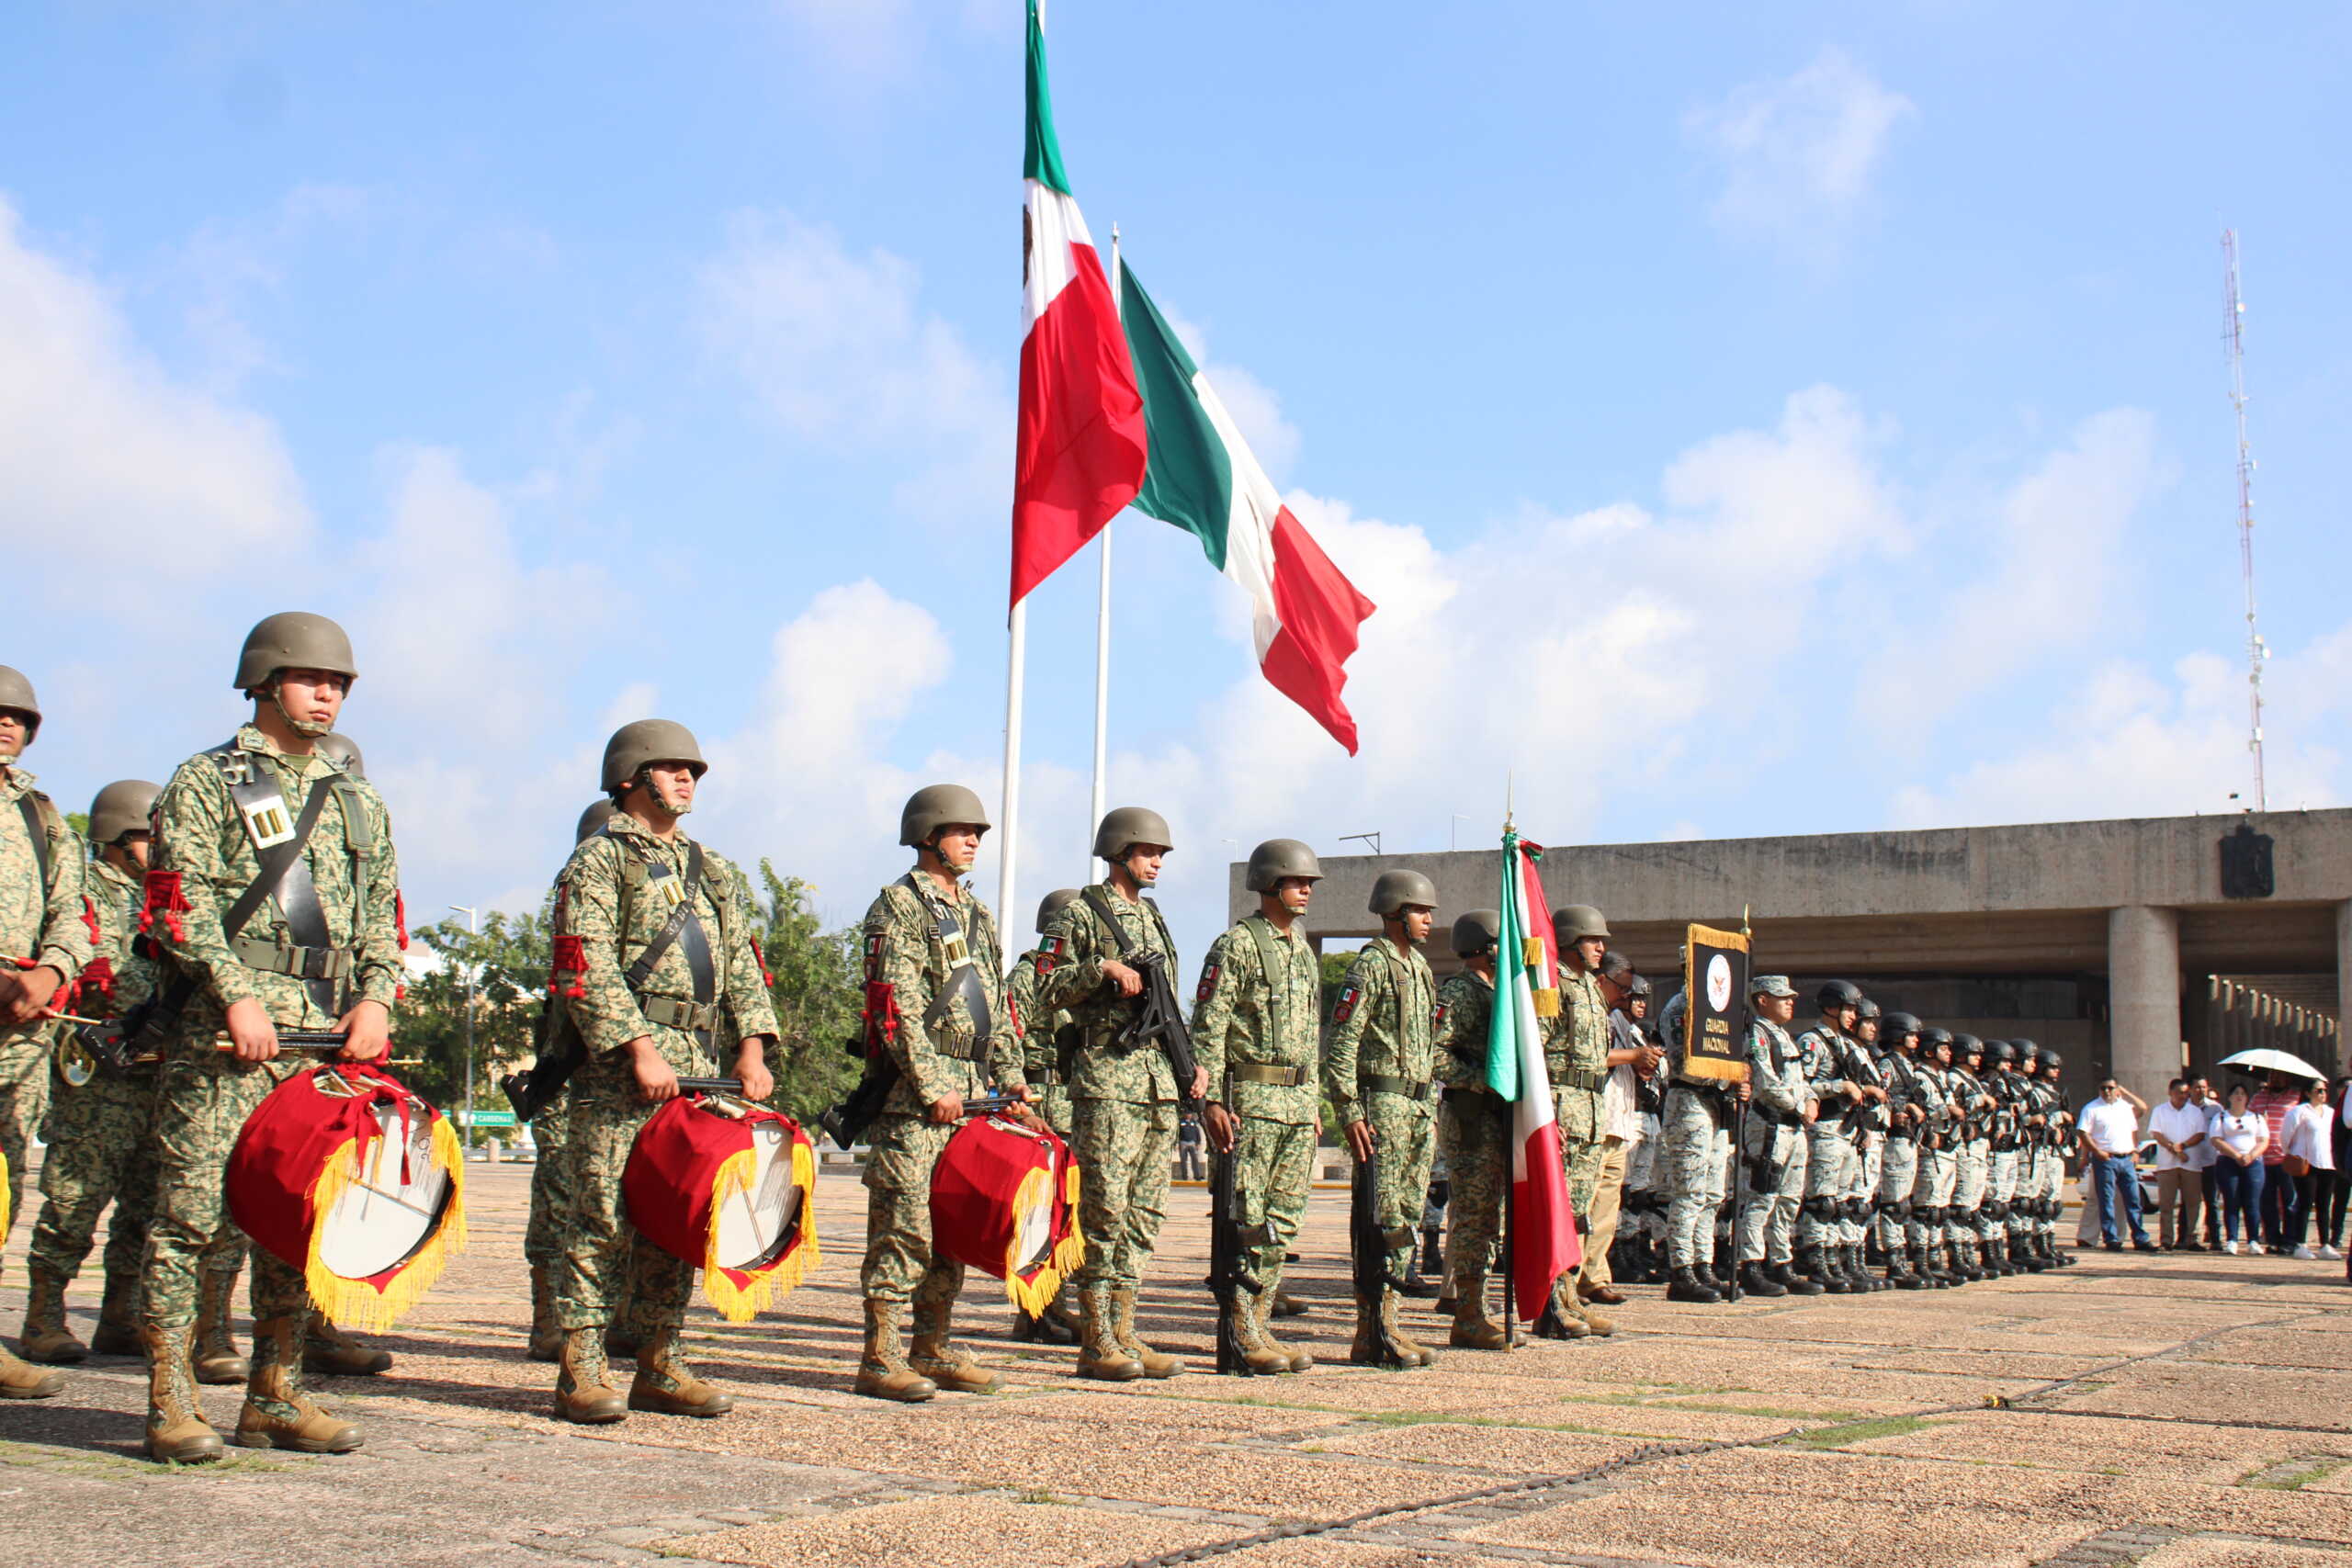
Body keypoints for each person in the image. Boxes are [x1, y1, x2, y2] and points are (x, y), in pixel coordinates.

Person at [136, 615, 398, 1461]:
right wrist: (235, 996)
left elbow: (383, 919)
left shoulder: (360, 797)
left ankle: (275, 1394)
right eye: (309, 676)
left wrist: (376, 1000)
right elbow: (179, 902)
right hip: (226, 1037)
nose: (327, 692)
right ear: (262, 680)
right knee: (191, 1220)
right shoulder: (208, 780)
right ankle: (172, 1401)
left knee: (300, 1220)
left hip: (321, 1043)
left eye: (340, 682)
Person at [547, 721, 780, 1423]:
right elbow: (582, 961)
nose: (687, 779)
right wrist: (636, 1046)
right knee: (599, 1221)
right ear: (630, 776)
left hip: (699, 1075)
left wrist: (753, 1046)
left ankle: (660, 1361)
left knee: (675, 1222)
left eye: (694, 770)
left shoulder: (714, 869)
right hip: (619, 1075)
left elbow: (742, 962)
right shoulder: (597, 861)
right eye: (671, 767)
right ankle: (581, 1369)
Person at [839, 784, 1023, 1403]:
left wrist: (1014, 1080)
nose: (974, 839)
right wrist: (931, 1084)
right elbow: (895, 1008)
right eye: (961, 829)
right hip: (915, 1105)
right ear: (927, 835)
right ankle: (880, 1355)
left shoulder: (976, 912)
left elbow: (996, 1005)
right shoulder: (898, 905)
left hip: (971, 1098)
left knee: (951, 1228)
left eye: (979, 831)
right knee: (904, 1227)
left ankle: (932, 1346)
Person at [1035, 807, 1201, 1382]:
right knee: (1103, 1212)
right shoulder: (1081, 914)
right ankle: (1096, 1337)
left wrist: (1191, 1068)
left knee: (1143, 1214)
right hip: (1106, 1081)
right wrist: (1099, 968)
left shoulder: (1153, 918)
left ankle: (1125, 1331)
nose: (1157, 861)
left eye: (1161, 853)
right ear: (1119, 851)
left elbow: (1169, 1007)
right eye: (1148, 850)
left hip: (1155, 1085)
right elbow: (1043, 987)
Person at [20, 781, 165, 1370]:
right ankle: (43, 1317)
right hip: (97, 1077)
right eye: (146, 837)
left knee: (145, 1205)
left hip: (157, 1073)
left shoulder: (165, 899)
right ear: (116, 835)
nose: (157, 847)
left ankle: (120, 1317)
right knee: (75, 1199)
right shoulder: (83, 891)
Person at [1191, 837, 1325, 1376]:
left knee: (1282, 1223)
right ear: (1270, 884)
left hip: (1294, 1105)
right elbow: (1210, 1026)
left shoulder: (1302, 950)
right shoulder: (1237, 945)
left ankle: (1262, 1322)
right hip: (1251, 1104)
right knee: (1246, 1221)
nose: (1306, 891)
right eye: (1298, 882)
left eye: (1309, 884)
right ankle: (1242, 1330)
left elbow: (1308, 1034)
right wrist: (1212, 1101)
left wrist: (1312, 1099)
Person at [0, 667, 95, 1403]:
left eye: (18, 717)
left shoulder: (40, 812)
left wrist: (53, 970)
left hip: (25, 1019)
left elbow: (73, 908)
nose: (8, 725)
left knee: (4, 1182)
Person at [521, 798, 625, 1363]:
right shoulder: (580, 889)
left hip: (620, 1071)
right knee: (561, 1192)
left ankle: (620, 1315)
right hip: (569, 1068)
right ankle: (548, 1319)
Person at [1326, 868, 1443, 1366]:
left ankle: (1390, 1321)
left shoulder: (1419, 967)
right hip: (1384, 1106)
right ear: (1395, 913)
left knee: (1404, 1219)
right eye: (1420, 911)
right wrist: (1349, 1111)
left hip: (1416, 1108)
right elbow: (1342, 1042)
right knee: (1377, 1217)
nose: (1429, 920)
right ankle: (1369, 1327)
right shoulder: (1371, 966)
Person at [1002, 886, 1084, 1346]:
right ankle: (1031, 1312)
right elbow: (1007, 1039)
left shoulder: (1075, 978)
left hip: (1071, 1100)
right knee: (1038, 1215)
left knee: (1069, 1214)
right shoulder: (1028, 977)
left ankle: (1056, 1304)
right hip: (1040, 1104)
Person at [1430, 909, 1507, 1347]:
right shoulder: (1459, 991)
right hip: (1471, 1120)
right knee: (1475, 1217)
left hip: (1499, 1118)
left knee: (1492, 1218)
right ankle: (1468, 1310)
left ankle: (1481, 1301)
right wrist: (1483, 1080)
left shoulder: (1504, 993)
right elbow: (1436, 1054)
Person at [1658, 973, 1747, 1303]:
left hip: (1716, 1104)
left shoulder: (1720, 1012)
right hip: (1690, 1102)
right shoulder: (1681, 1007)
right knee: (1690, 1192)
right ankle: (1681, 1271)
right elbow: (1684, 1064)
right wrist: (1730, 1076)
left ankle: (1703, 1265)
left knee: (1712, 1194)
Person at [1578, 951, 1654, 1309]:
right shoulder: (1586, 1010)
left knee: (1607, 1209)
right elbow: (1589, 1055)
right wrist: (1633, 1058)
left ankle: (1594, 1278)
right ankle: (1569, 1276)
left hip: (1619, 1122)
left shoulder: (1621, 1021)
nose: (1627, 996)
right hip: (1590, 1121)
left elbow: (1632, 1056)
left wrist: (1646, 1064)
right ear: (1601, 981)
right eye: (1622, 988)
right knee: (1581, 1205)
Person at [1735, 976, 1816, 1298]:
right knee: (1762, 1197)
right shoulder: (1757, 1034)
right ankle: (1751, 1264)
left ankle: (1781, 1262)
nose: (1790, 1002)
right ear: (1762, 1000)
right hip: (1770, 1126)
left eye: (1791, 997)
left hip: (1794, 1127)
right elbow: (1766, 1082)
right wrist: (1800, 1105)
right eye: (1782, 997)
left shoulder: (1784, 1036)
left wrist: (1811, 1100)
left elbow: (1800, 1079)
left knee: (1788, 1200)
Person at [1794, 980, 1869, 1294]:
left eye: (1854, 1010)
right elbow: (1801, 1083)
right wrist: (1838, 1087)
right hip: (1825, 1127)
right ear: (1830, 1008)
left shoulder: (1846, 1044)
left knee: (1839, 1203)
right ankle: (1816, 1261)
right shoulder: (1813, 1041)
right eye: (1848, 1009)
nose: (1853, 1016)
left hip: (1847, 1129)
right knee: (1821, 1201)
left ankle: (1835, 1259)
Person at [1872, 1012, 1929, 1288]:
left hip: (1909, 1139)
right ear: (1898, 1035)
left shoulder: (1908, 1065)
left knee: (1904, 1202)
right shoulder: (1888, 1064)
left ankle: (1906, 1258)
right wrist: (1900, 1109)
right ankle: (1895, 1262)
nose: (1916, 1039)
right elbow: (1882, 1093)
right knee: (1895, 1203)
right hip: (1895, 1138)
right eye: (1912, 1034)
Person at [2079, 1076, 2154, 1251]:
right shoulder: (2092, 1108)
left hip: (2126, 1158)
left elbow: (2135, 1126)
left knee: (2133, 1200)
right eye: (2103, 1088)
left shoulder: (2125, 1108)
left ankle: (2140, 1238)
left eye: (2110, 1088)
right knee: (2106, 1201)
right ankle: (2111, 1238)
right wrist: (2096, 1152)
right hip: (2106, 1159)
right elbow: (2083, 1132)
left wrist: (2135, 1151)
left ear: (2117, 1089)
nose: (2107, 1091)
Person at [2147, 1077, 2209, 1250]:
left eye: (2185, 1092)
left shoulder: (2195, 1112)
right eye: (2179, 1092)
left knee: (2193, 1203)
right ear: (2170, 1092)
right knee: (2166, 1204)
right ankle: (2166, 1240)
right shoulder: (2160, 1111)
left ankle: (2193, 1239)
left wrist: (2183, 1146)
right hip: (2167, 1164)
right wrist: (2172, 1148)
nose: (2183, 1096)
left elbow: (2200, 1134)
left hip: (2191, 1164)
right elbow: (2156, 1133)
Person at [2210, 1082, 2268, 1254]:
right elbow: (2216, 1139)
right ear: (2229, 1097)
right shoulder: (2221, 1117)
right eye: (2235, 1093)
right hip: (2228, 1162)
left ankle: (2253, 1240)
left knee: (2252, 1203)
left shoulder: (2256, 1118)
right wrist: (2237, 1156)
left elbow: (2263, 1140)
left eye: (2242, 1093)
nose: (2239, 1096)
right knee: (2231, 1201)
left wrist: (2250, 1156)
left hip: (2253, 1163)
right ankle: (2232, 1239)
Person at [2281, 1077, 2335, 1259]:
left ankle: (2325, 1244)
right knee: (2305, 1203)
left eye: (2324, 1090)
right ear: (2308, 1092)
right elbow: (2286, 1135)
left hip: (2327, 1162)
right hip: (2306, 1162)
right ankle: (2300, 1244)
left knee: (2324, 1204)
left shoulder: (2330, 1112)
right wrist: (2291, 1152)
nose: (2322, 1094)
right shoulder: (2300, 1111)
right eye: (2318, 1090)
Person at [2247, 1071, 2301, 1253]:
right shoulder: (2258, 1098)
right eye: (2271, 1077)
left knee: (2289, 1202)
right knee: (2267, 1203)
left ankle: (2290, 1240)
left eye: (2279, 1077)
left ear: (2288, 1079)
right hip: (2263, 1159)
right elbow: (2248, 1122)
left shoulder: (2296, 1097)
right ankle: (2273, 1239)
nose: (2275, 1080)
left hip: (2286, 1158)